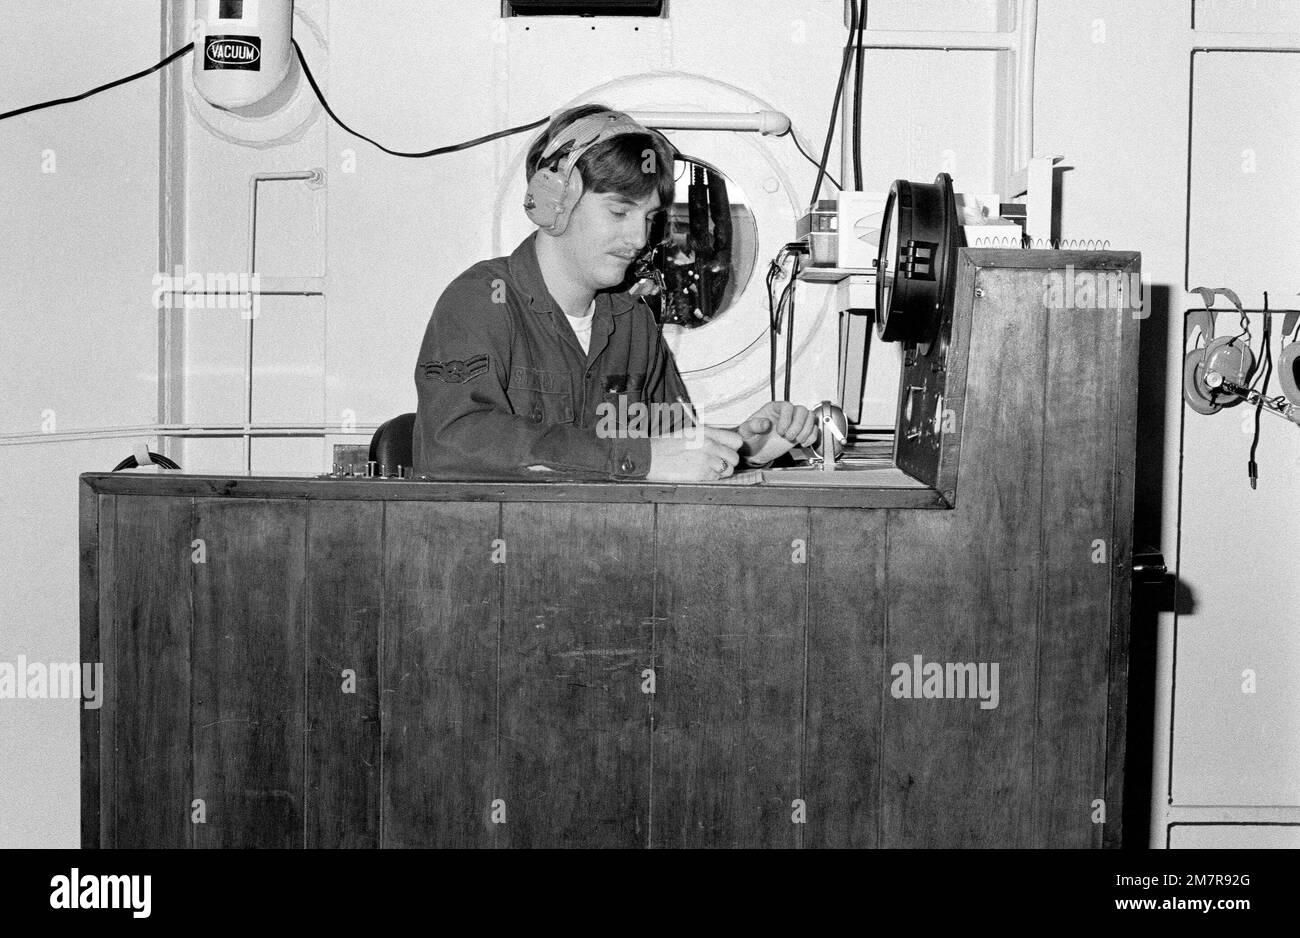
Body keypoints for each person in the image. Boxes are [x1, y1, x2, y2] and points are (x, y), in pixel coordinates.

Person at [412, 104, 817, 481]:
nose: (639, 238)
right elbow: (450, 444)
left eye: (650, 218)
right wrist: (639, 460)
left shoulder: (633, 319)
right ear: (555, 202)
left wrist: (744, 448)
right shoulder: (483, 299)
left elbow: (672, 443)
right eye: (620, 211)